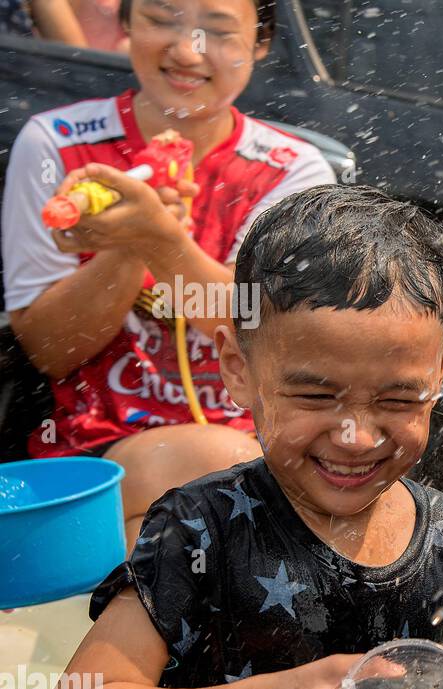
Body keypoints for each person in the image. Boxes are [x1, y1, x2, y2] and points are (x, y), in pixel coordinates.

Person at [40, 185, 443, 689]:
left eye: (399, 398)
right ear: (239, 369)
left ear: (441, 368)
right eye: (315, 394)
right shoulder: (202, 527)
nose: (355, 433)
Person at [2, 0, 332, 544]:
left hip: (245, 447)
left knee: (206, 505)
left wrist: (163, 242)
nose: (186, 51)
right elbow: (52, 349)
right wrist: (127, 247)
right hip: (94, 455)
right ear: (126, 25)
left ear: (261, 42)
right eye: (162, 19)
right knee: (221, 478)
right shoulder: (56, 144)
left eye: (219, 31)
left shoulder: (292, 170)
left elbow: (265, 340)